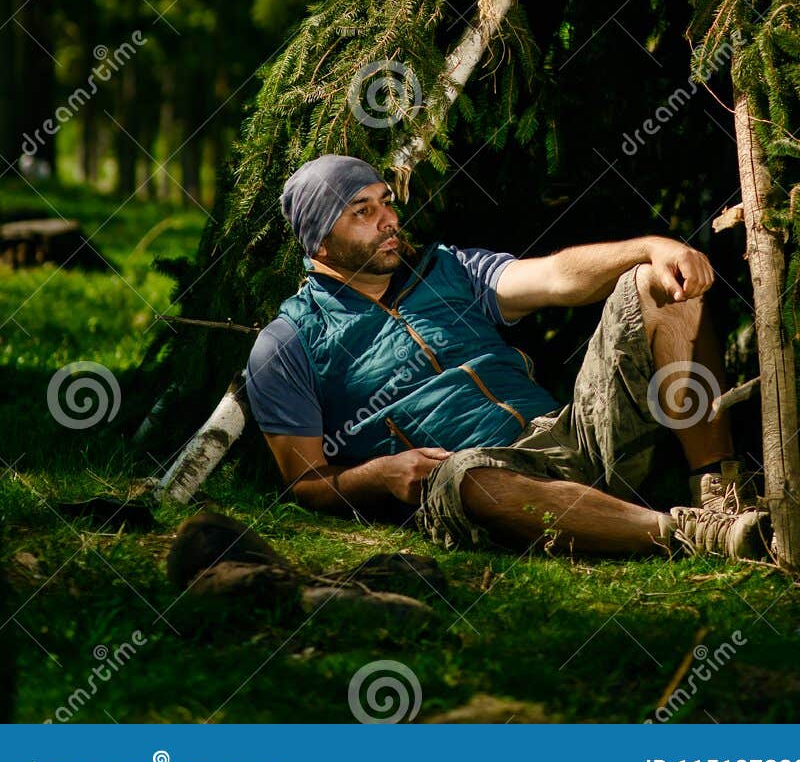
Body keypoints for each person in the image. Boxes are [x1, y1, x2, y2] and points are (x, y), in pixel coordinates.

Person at [245, 154, 770, 560]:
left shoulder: (447, 269)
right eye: (363, 212)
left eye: (386, 202)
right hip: (491, 478)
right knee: (460, 478)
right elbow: (306, 482)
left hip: (571, 435)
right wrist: (380, 473)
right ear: (320, 242)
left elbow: (557, 277)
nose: (389, 221)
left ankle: (717, 492)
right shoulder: (288, 343)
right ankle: (686, 534)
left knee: (659, 284)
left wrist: (653, 248)